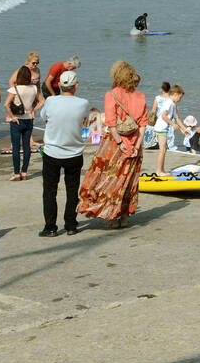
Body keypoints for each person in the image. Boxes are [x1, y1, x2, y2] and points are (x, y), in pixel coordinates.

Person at [77, 60, 148, 229]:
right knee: (129, 181)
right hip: (135, 144)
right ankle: (124, 217)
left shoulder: (112, 94)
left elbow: (111, 124)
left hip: (115, 146)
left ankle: (111, 218)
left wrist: (119, 143)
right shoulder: (141, 96)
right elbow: (144, 124)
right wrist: (137, 145)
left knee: (109, 181)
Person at [34, 70, 92, 237]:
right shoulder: (83, 103)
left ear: (59, 85)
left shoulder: (51, 101)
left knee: (50, 190)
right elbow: (85, 119)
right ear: (76, 86)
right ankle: (71, 224)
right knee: (72, 190)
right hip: (74, 152)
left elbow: (44, 117)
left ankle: (50, 227)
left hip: (52, 151)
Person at [4, 63, 43, 182]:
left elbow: (6, 105)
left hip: (16, 121)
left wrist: (12, 117)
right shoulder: (34, 88)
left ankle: (16, 174)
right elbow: (42, 101)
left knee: (16, 148)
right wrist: (33, 111)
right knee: (27, 147)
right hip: (28, 120)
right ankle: (24, 172)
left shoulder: (14, 89)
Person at [151, 83, 189, 175]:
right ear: (175, 94)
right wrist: (172, 124)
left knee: (164, 150)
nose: (180, 100)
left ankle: (162, 170)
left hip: (164, 129)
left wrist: (183, 129)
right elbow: (163, 116)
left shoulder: (172, 104)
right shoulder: (168, 103)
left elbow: (177, 119)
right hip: (161, 128)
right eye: (180, 98)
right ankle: (159, 171)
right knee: (162, 150)